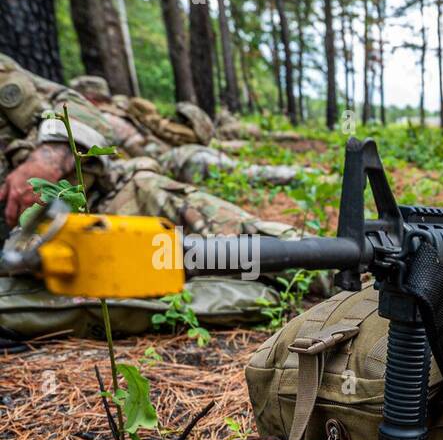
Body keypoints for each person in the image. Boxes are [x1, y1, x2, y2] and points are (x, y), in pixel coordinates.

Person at [0, 53, 298, 341]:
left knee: (237, 227)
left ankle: (314, 259)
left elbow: (114, 132)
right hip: (41, 268)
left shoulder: (119, 113)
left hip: (109, 196)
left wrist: (46, 161)